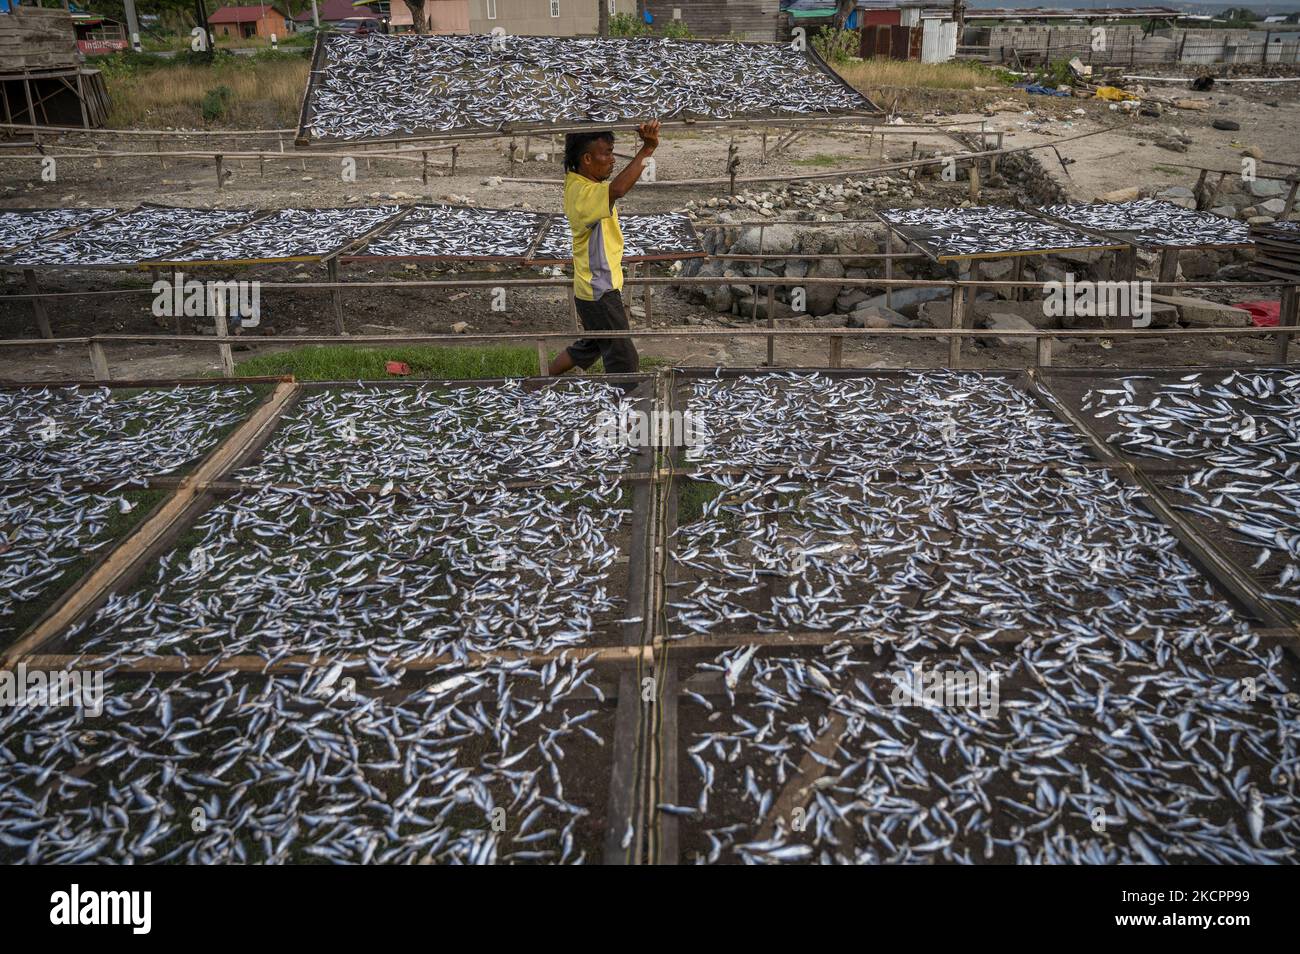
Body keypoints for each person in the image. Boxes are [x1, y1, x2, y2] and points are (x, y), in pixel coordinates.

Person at [548, 120, 661, 377]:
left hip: (589, 288)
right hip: (599, 290)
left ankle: (538, 382)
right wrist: (647, 149)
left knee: (591, 346)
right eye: (607, 153)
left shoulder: (578, 183)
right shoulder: (583, 193)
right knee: (624, 358)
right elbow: (619, 189)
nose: (612, 160)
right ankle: (626, 411)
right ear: (587, 159)